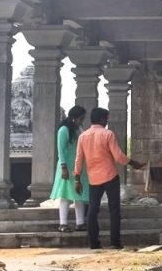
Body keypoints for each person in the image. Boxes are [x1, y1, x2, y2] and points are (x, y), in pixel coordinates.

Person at [74, 107, 145, 250]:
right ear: (101, 119)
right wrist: (133, 163)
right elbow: (118, 156)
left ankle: (94, 243)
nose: (107, 121)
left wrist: (77, 178)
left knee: (93, 210)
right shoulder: (108, 134)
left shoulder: (83, 136)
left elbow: (79, 159)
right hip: (110, 176)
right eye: (106, 119)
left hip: (93, 178)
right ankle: (115, 242)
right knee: (114, 210)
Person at [51, 106, 89, 233]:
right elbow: (60, 150)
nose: (82, 121)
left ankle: (80, 223)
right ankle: (63, 224)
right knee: (66, 196)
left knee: (79, 195)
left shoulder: (78, 129)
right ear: (74, 118)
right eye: (81, 118)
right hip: (66, 166)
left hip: (78, 166)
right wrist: (63, 167)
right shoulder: (63, 130)